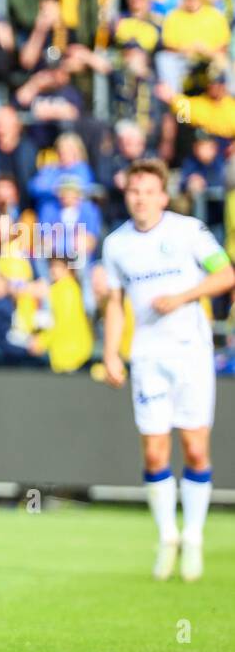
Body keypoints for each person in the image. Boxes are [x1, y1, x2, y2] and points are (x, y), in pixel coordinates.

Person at [101, 158, 234, 581]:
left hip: (191, 354)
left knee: (195, 448)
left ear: (162, 194)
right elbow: (115, 305)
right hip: (147, 358)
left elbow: (226, 274)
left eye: (146, 191)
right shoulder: (116, 244)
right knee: (156, 451)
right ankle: (167, 538)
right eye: (133, 191)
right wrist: (110, 354)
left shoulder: (188, 231)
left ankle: (193, 537)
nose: (139, 199)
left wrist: (182, 297)